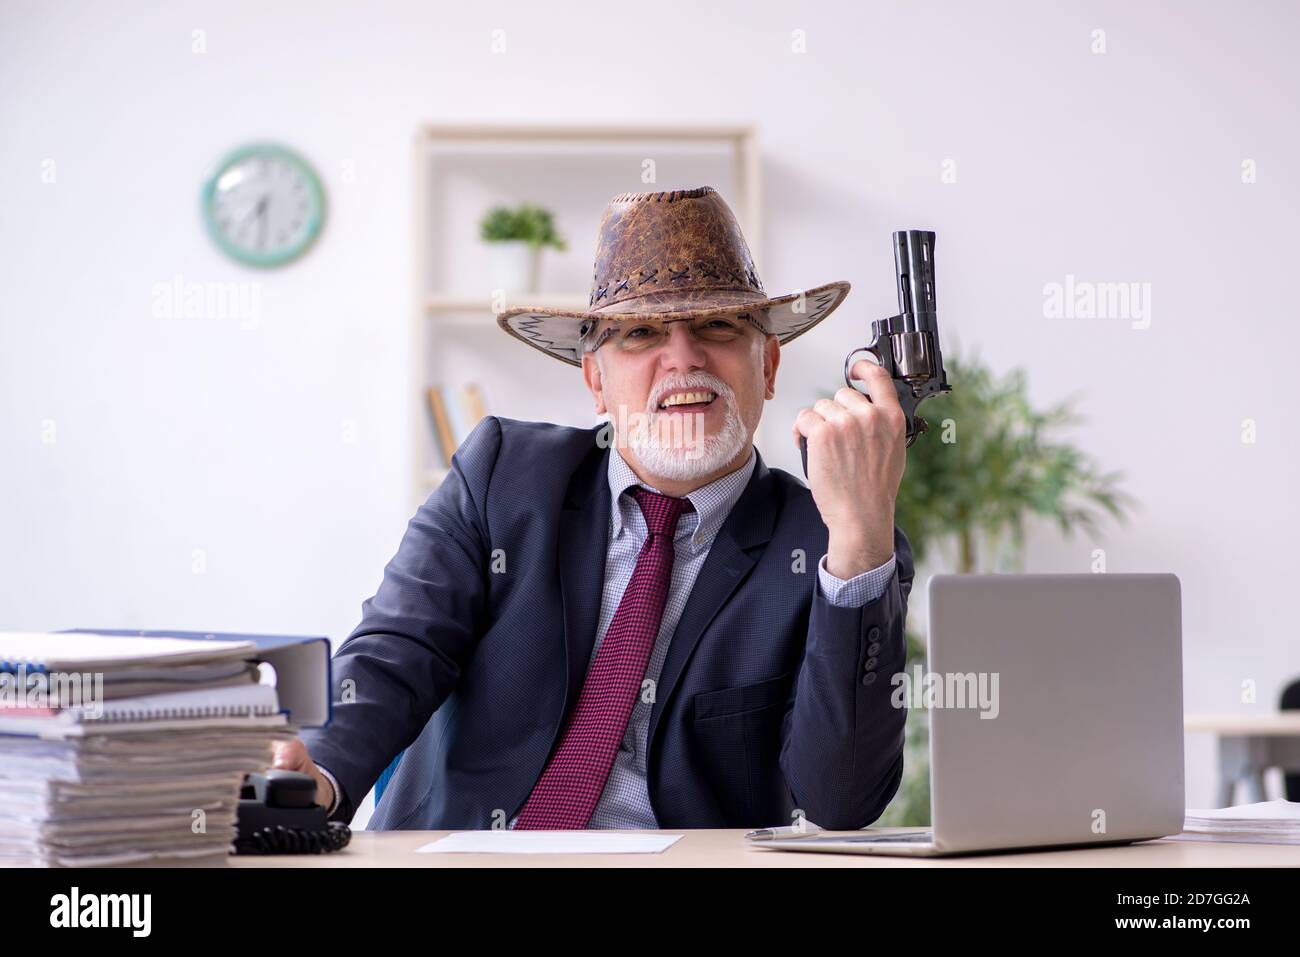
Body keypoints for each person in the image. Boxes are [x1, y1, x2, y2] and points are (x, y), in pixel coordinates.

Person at [273, 185, 914, 830]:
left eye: (717, 327)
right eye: (640, 334)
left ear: (769, 366)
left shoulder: (830, 545)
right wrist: (318, 775)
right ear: (596, 381)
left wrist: (860, 537)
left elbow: (841, 801)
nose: (684, 358)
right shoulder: (501, 474)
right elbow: (396, 651)